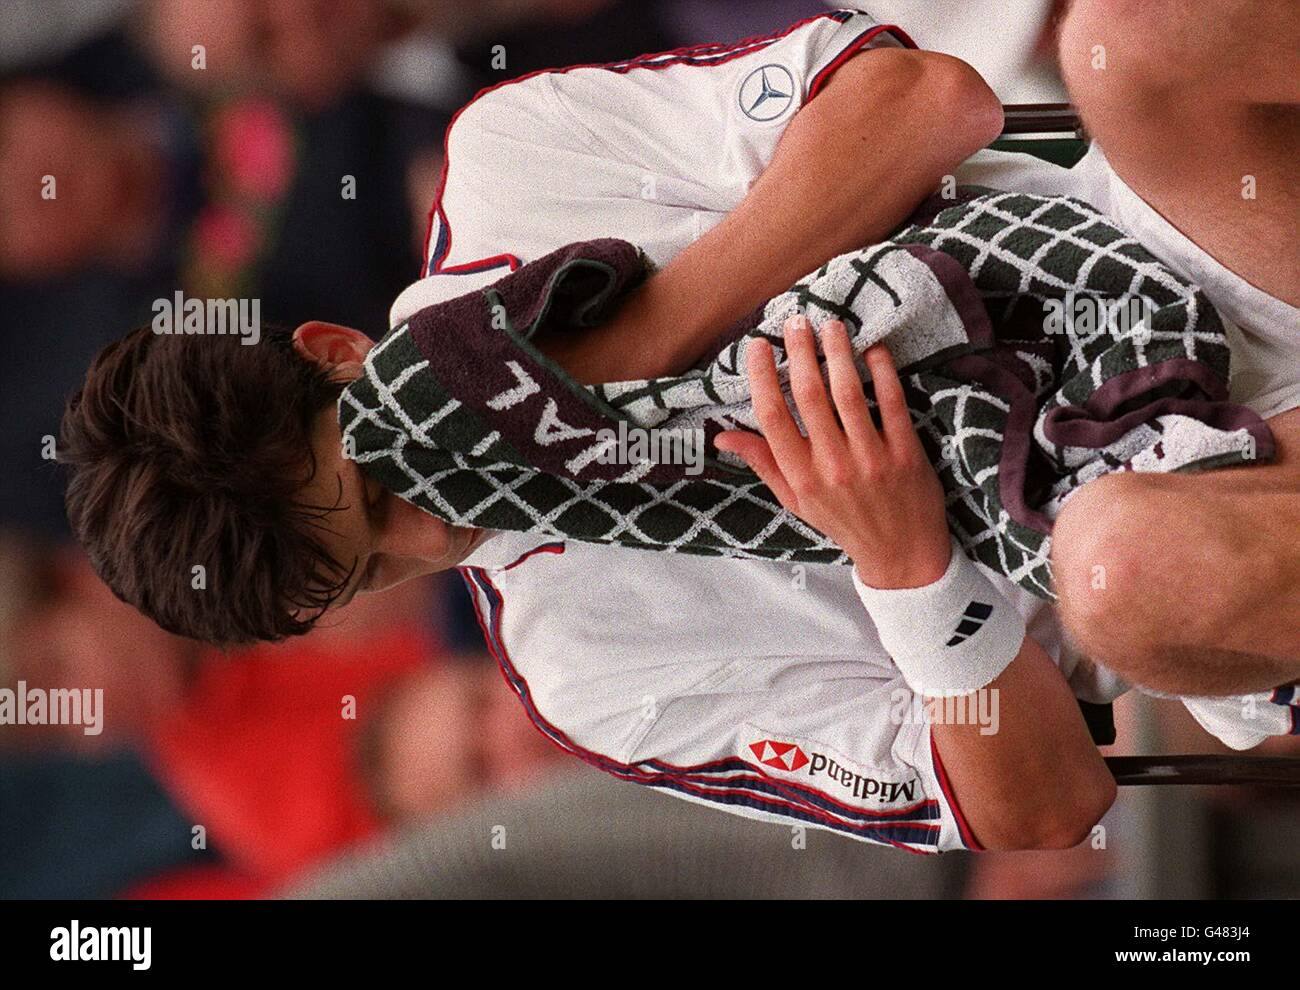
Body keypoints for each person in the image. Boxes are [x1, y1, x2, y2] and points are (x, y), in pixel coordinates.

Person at [59, 8, 1297, 851]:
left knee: (1124, 37)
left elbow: (934, 101)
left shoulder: (509, 165)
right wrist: (907, 568)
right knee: (1120, 567)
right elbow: (1043, 809)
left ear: (336, 352)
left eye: (380, 488)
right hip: (1200, 529)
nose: (439, 525)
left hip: (1183, 249)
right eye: (376, 568)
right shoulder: (583, 677)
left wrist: (645, 343)